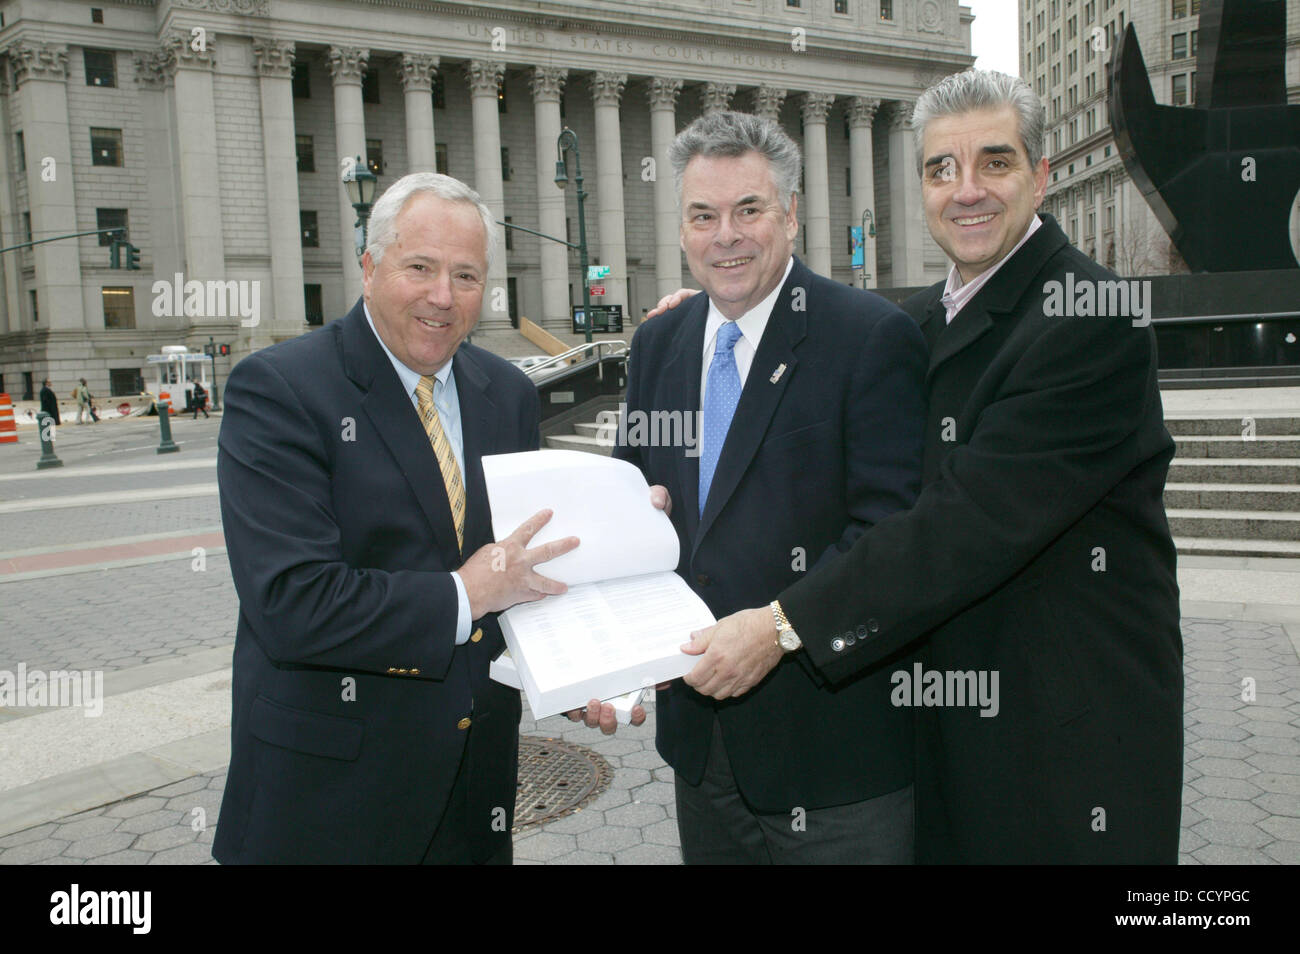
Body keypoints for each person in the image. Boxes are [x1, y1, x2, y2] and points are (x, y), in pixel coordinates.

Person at [678, 70, 1183, 863]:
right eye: (940, 169)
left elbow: (964, 525)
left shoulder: (1093, 318)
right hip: (937, 730)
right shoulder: (915, 320)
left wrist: (782, 626)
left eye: (994, 162)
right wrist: (712, 323)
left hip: (1059, 741)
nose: (965, 190)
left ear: (1041, 175)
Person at [212, 173, 586, 864]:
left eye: (466, 275)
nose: (443, 297)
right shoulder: (281, 388)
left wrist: (579, 668)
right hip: (330, 804)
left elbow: (519, 568)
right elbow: (291, 603)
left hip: (475, 798)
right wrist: (465, 593)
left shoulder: (506, 393)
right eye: (421, 267)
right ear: (370, 266)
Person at [594, 111, 928, 864]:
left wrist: (781, 629)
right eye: (703, 215)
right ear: (680, 230)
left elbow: (895, 537)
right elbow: (629, 507)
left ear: (791, 215)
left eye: (749, 210)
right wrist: (605, 665)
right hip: (703, 758)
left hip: (838, 762)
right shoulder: (658, 344)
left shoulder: (870, 336)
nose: (726, 236)